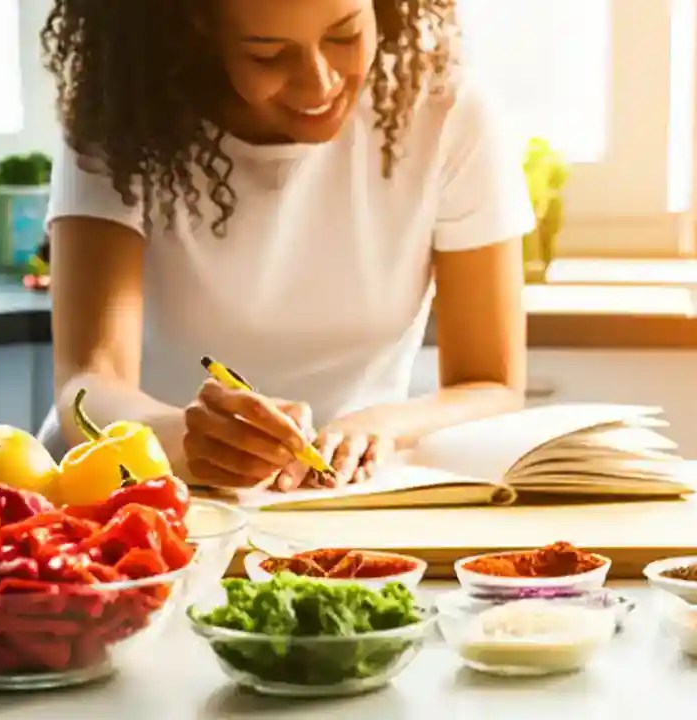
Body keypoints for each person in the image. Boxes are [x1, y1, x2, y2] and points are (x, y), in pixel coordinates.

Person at [37, 0, 533, 493]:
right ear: (198, 33)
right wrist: (183, 438)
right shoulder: (121, 119)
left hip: (346, 498)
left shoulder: (447, 111)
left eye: (344, 36)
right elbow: (86, 381)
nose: (320, 83)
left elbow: (491, 385)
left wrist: (382, 426)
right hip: (135, 494)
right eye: (268, 56)